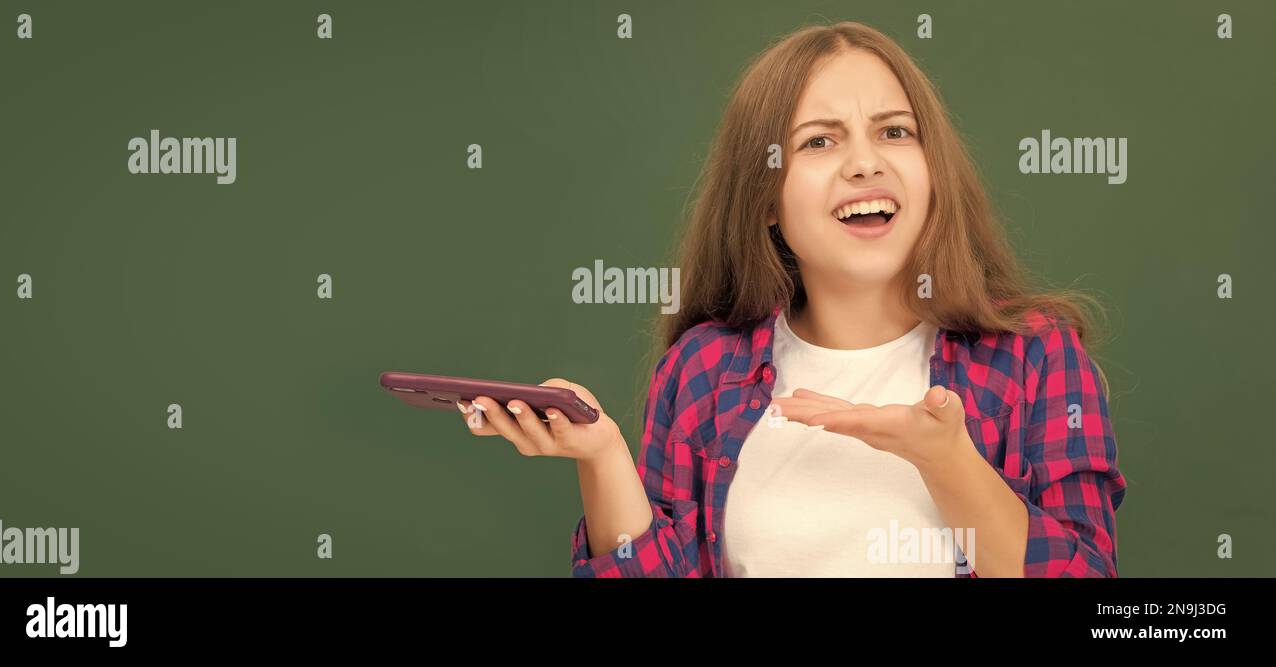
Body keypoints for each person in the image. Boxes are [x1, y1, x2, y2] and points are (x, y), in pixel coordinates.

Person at [458, 21, 1126, 578]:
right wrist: (603, 455)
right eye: (820, 141)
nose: (865, 162)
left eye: (895, 132)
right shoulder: (704, 371)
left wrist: (948, 458)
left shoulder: (1035, 355)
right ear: (767, 200)